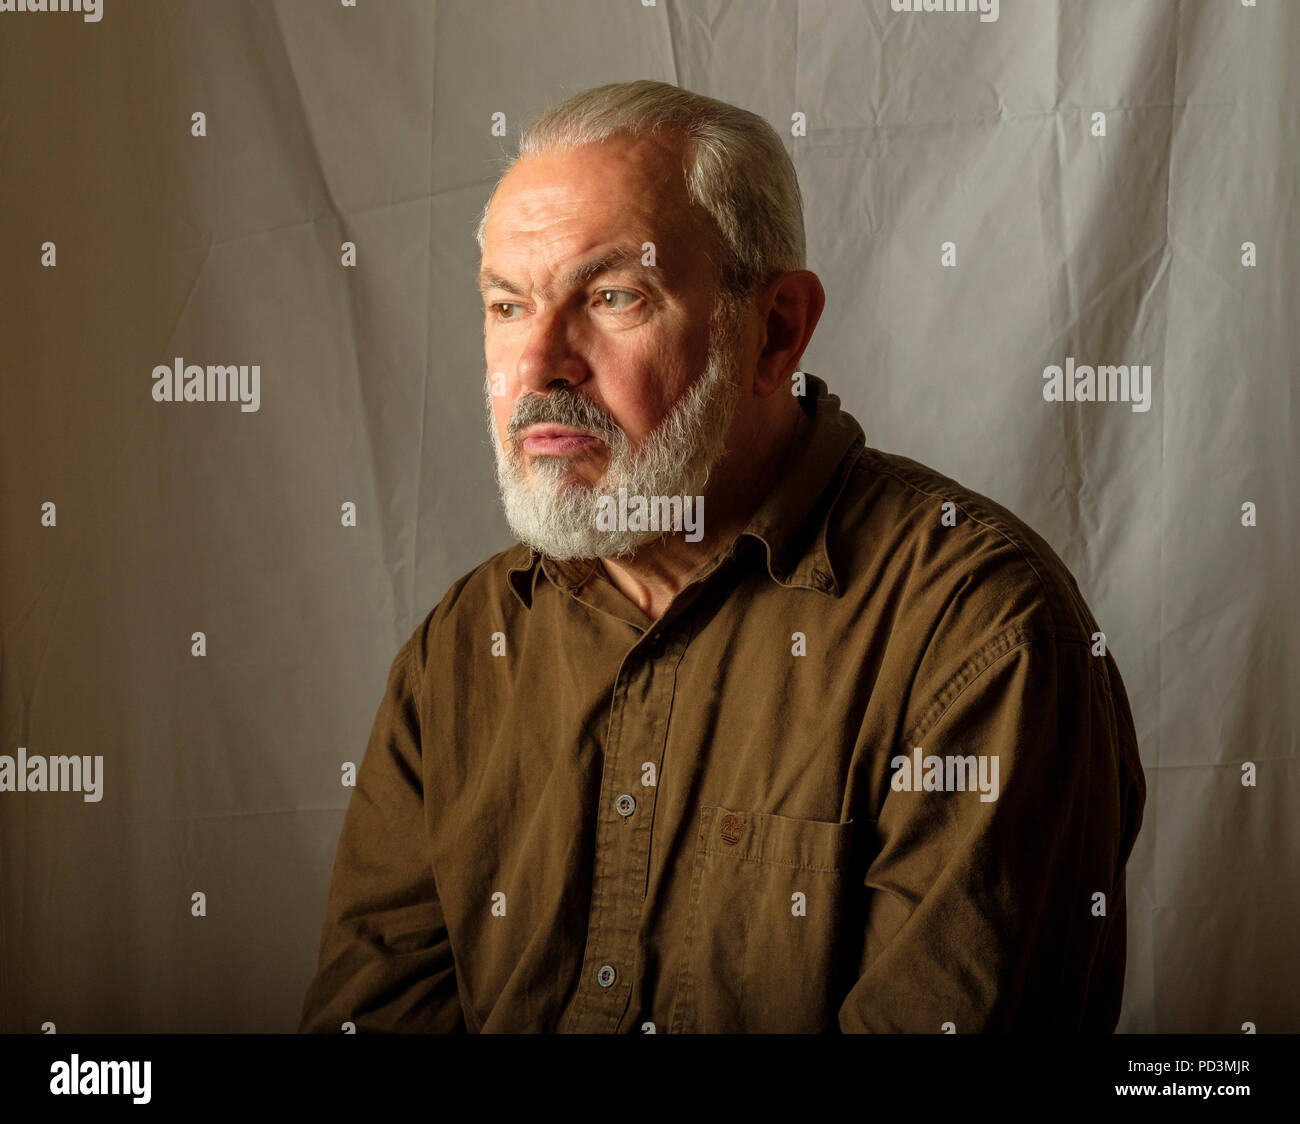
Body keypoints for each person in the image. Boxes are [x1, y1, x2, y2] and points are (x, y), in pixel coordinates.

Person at [298, 79, 1146, 1034]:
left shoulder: (982, 635)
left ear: (775, 330)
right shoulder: (461, 650)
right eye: (506, 306)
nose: (535, 367)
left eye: (612, 296)